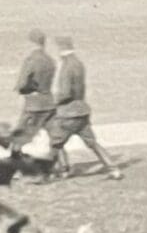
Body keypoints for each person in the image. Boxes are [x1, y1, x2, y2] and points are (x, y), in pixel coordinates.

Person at [47, 36, 123, 181]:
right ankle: (114, 169)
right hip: (82, 111)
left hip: (68, 114)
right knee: (92, 143)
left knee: (55, 143)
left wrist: (53, 102)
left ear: (61, 49)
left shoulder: (66, 66)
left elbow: (65, 93)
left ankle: (52, 172)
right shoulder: (78, 63)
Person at [12, 29, 57, 150]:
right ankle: (63, 166)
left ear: (32, 43)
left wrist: (21, 90)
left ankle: (13, 166)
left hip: (33, 105)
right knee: (55, 137)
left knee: (19, 136)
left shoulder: (31, 60)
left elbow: (22, 83)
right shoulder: (50, 60)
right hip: (49, 102)